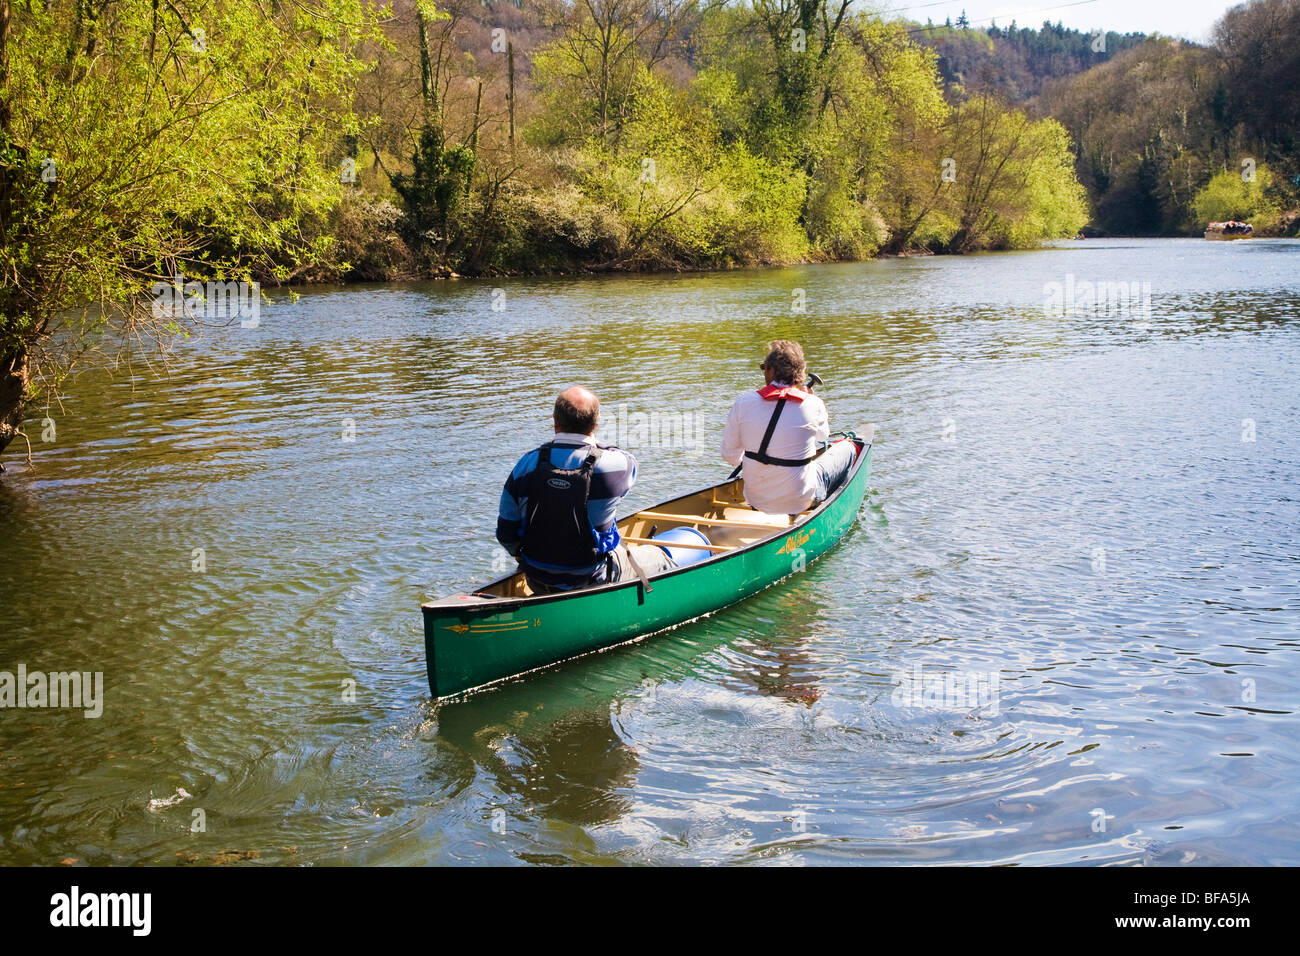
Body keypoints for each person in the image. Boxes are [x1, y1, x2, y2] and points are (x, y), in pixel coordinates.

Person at [496, 386, 674, 594]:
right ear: (596, 423)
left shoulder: (525, 465)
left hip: (536, 577)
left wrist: (531, 559)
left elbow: (505, 534)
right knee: (658, 556)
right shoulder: (618, 465)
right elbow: (628, 460)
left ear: (555, 421)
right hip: (592, 577)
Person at [721, 340, 855, 515]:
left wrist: (759, 462)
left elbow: (730, 456)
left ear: (770, 370)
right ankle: (830, 511)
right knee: (848, 448)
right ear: (800, 372)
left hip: (755, 499)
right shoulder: (813, 404)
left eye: (764, 368)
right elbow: (823, 438)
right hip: (800, 500)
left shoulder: (743, 403)